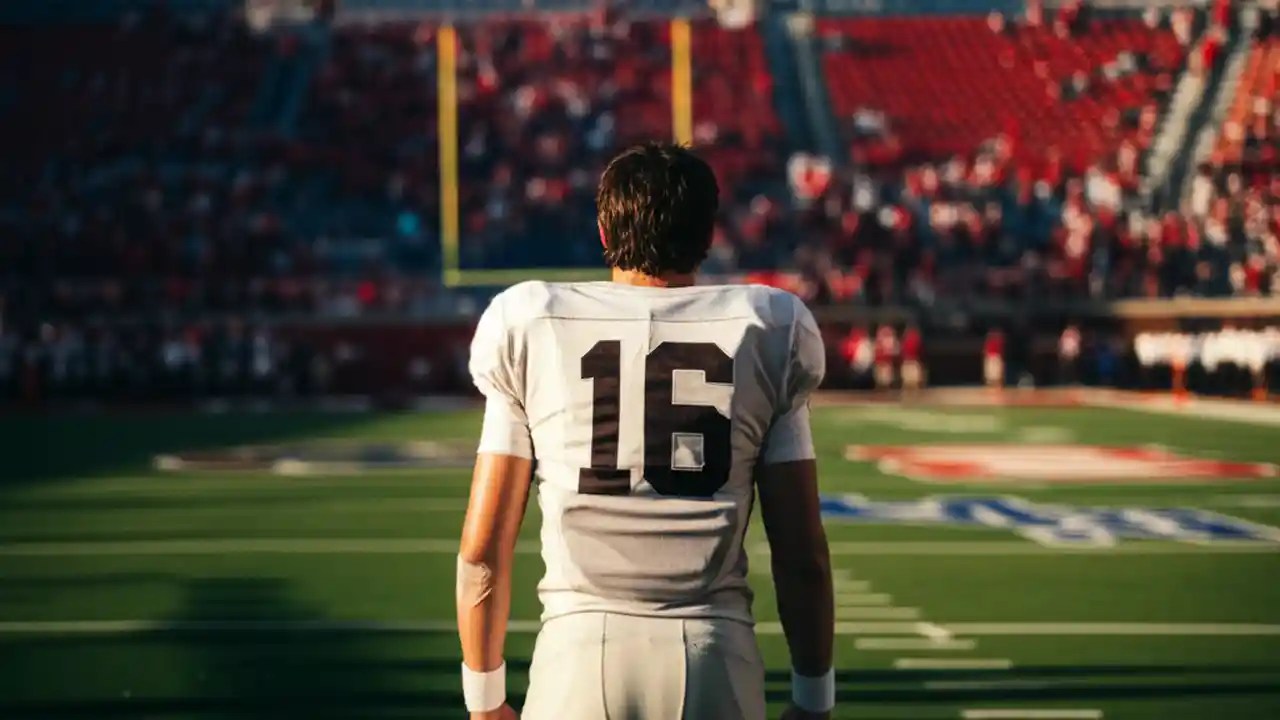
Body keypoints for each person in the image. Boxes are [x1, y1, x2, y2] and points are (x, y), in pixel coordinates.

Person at [457, 143, 835, 720]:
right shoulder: (769, 327)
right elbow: (801, 554)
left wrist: (484, 701)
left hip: (577, 652)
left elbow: (482, 552)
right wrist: (814, 699)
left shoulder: (530, 320)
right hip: (713, 650)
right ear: (708, 234)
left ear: (604, 232)